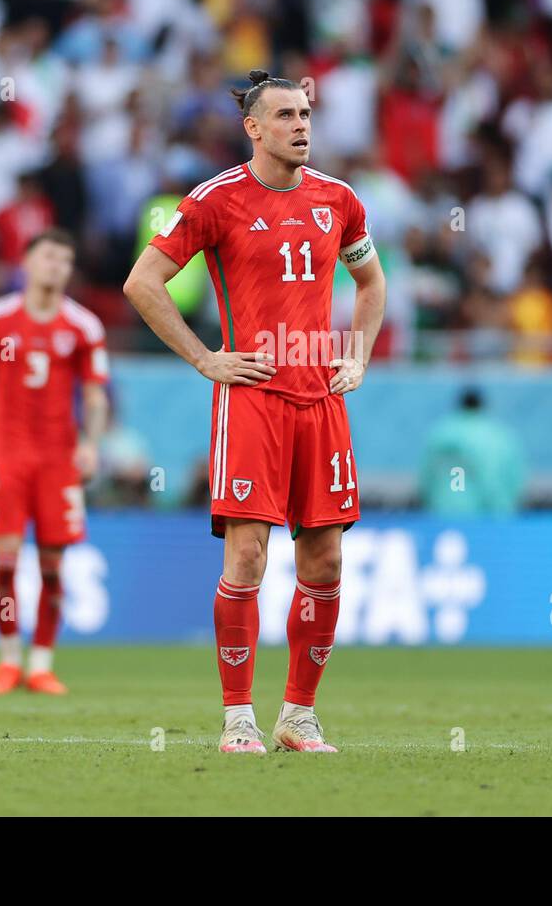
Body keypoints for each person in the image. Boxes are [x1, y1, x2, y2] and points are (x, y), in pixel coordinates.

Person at [123, 70, 387, 754]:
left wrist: (356, 355)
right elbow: (142, 283)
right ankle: (238, 718)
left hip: (322, 404)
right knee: (247, 556)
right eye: (286, 115)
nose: (302, 125)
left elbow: (371, 281)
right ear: (254, 128)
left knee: (324, 562)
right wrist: (205, 358)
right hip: (252, 402)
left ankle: (298, 717)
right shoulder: (215, 201)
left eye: (306, 113)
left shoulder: (340, 201)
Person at [0, 229, 110, 696]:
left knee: (52, 568)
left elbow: (94, 393)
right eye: (48, 256)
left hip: (57, 459)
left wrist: (91, 443)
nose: (56, 267)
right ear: (26, 263)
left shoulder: (84, 327)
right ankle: (8, 660)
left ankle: (42, 663)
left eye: (65, 260)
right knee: (6, 564)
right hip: (8, 455)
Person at [419, 388, 524, 515]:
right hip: (488, 517)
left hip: (442, 512)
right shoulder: (498, 436)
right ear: (482, 406)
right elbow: (512, 478)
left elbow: (426, 476)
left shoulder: (440, 434)